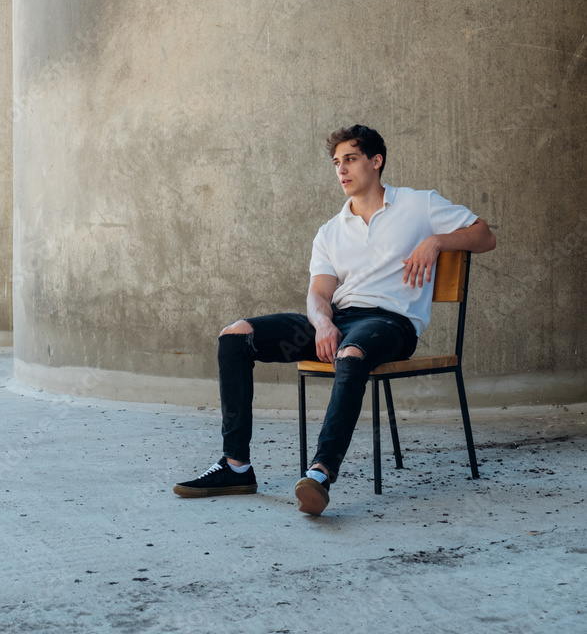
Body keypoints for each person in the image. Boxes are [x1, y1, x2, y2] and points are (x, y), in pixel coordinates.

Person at [173, 124, 496, 515]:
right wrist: (323, 324)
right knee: (235, 335)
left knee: (351, 352)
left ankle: (321, 472)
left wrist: (437, 240)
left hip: (390, 323)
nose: (341, 169)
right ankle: (236, 466)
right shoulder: (329, 231)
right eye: (337, 162)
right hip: (338, 321)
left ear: (376, 162)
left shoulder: (419, 205)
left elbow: (484, 236)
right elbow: (319, 294)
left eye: (351, 159)